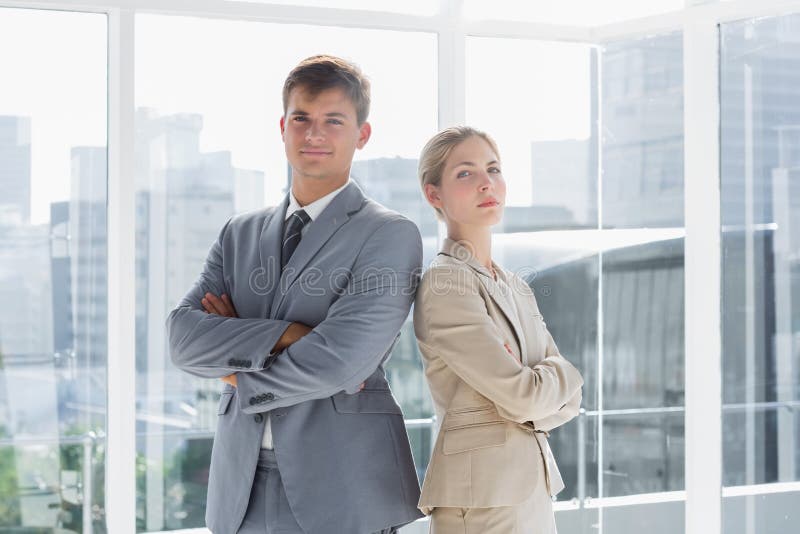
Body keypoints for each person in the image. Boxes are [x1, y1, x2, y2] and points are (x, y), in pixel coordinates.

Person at [166, 55, 424, 534]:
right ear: (283, 127)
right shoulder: (238, 233)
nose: (314, 134)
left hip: (344, 485)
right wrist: (288, 332)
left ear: (361, 135)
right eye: (302, 118)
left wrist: (235, 362)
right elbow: (183, 339)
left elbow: (342, 361)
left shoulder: (389, 233)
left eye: (333, 121)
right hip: (238, 488)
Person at [413, 126, 584, 533]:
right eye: (465, 173)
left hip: (532, 490)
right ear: (434, 194)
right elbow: (524, 397)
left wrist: (555, 380)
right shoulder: (446, 282)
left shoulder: (515, 285)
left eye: (493, 168)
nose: (487, 182)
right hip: (482, 503)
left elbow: (569, 402)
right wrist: (558, 375)